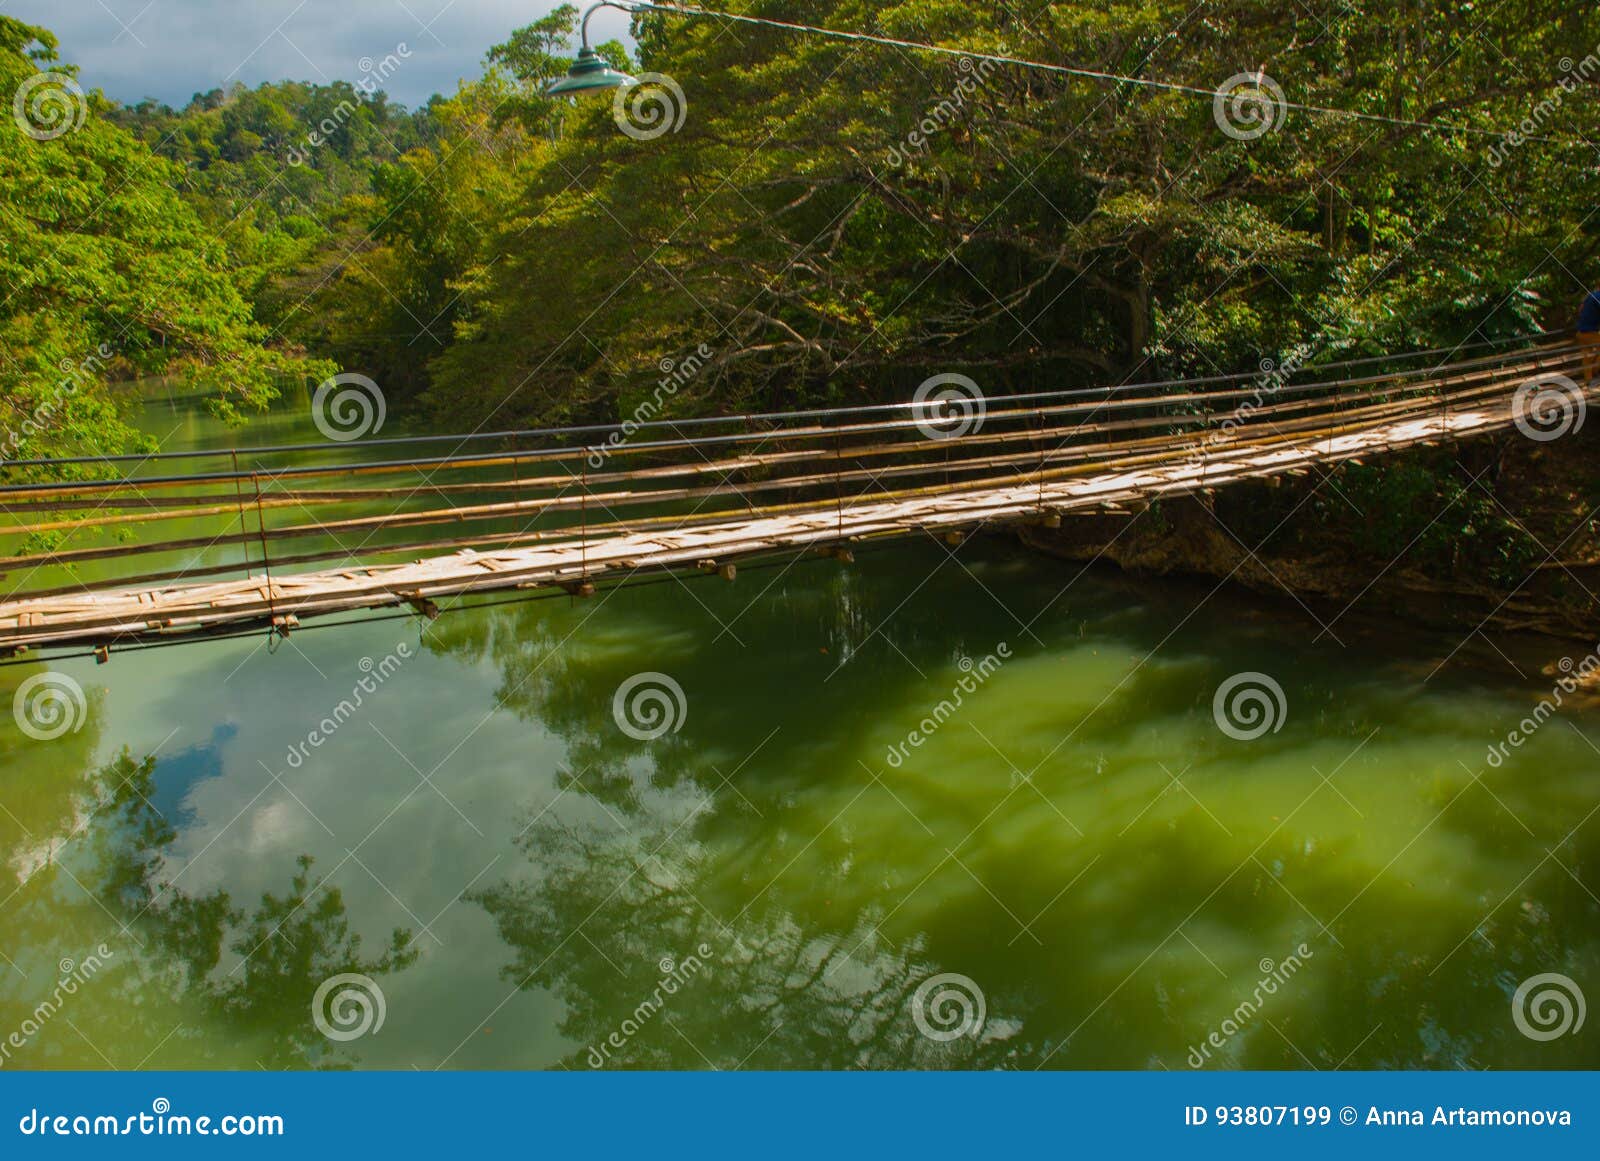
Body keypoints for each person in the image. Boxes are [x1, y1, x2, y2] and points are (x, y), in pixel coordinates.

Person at [1580, 286, 1600, 384]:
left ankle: (1588, 380)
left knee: (1587, 357)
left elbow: (1580, 309)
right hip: (1589, 332)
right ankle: (1595, 371)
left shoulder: (1590, 295)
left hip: (1580, 332)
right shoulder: (1598, 296)